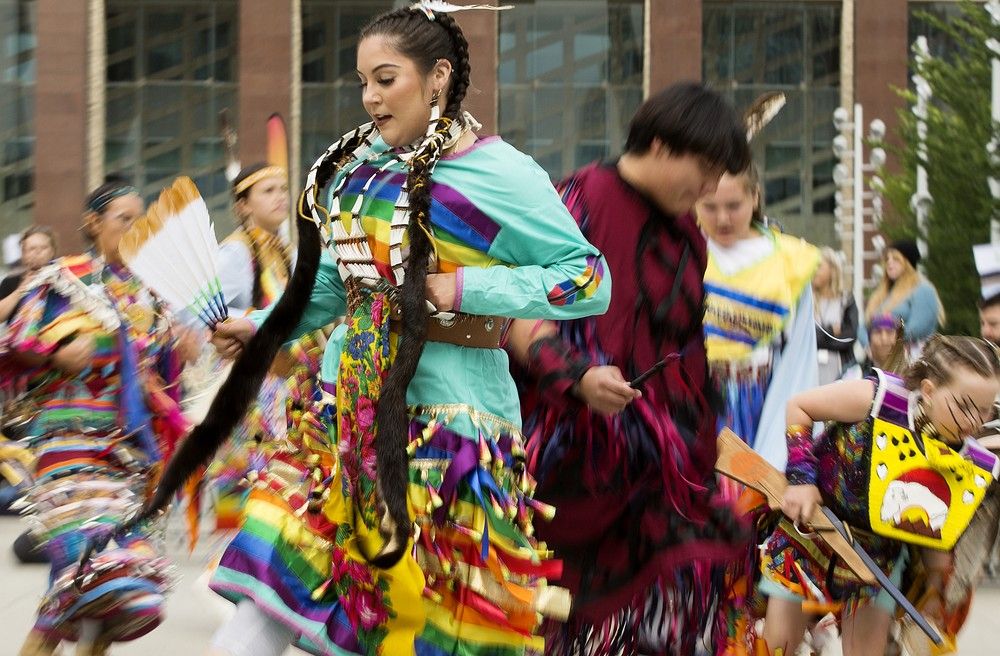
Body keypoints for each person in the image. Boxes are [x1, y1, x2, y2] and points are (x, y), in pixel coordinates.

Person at [126, 5, 610, 656]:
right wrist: (263, 327)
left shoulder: (502, 175)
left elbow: (588, 279)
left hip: (448, 436)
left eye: (386, 78)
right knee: (263, 606)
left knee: (417, 631)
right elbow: (330, 286)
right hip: (338, 421)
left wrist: (465, 287)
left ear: (438, 77)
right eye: (362, 82)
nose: (371, 98)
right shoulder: (360, 172)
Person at [504, 83, 751, 655]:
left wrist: (707, 442)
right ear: (662, 146)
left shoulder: (689, 234)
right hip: (569, 469)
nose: (712, 190)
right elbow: (513, 312)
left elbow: (688, 352)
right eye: (705, 170)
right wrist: (579, 377)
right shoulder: (576, 200)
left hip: (664, 476)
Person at [1, 179, 196, 656]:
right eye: (124, 220)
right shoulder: (62, 279)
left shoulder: (150, 297)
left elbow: (158, 385)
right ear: (93, 224)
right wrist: (54, 355)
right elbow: (11, 347)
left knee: (105, 596)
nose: (136, 232)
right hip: (67, 447)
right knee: (102, 573)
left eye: (142, 222)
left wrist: (180, 354)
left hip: (125, 458)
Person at [758, 335, 1000, 656]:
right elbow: (798, 406)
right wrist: (801, 479)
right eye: (964, 406)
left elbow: (936, 535)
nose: (974, 422)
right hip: (810, 533)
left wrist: (935, 583)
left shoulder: (965, 460)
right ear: (928, 390)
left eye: (984, 410)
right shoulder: (877, 398)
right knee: (776, 648)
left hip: (876, 559)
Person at [696, 167, 820, 470]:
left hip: (764, 404)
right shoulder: (680, 252)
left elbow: (799, 360)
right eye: (710, 207)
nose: (722, 218)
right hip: (692, 405)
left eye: (733, 206)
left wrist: (785, 448)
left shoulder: (789, 262)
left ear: (755, 196)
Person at [863, 239, 944, 355]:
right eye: (887, 259)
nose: (889, 262)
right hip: (882, 358)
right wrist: (870, 344)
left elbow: (916, 329)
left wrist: (884, 340)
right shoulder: (882, 294)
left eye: (895, 259)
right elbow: (863, 327)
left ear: (908, 262)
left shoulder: (923, 290)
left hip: (914, 359)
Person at [812, 247, 859, 384]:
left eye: (819, 266)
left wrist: (820, 339)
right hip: (811, 369)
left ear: (832, 270)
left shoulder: (846, 300)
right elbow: (806, 337)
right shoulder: (806, 302)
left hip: (841, 369)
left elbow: (849, 337)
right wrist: (832, 330)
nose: (814, 270)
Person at [0, 226, 57, 322]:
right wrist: (21, 289)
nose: (38, 252)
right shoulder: (10, 282)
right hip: (21, 336)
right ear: (23, 254)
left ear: (52, 251)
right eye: (32, 248)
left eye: (44, 247)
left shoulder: (65, 279)